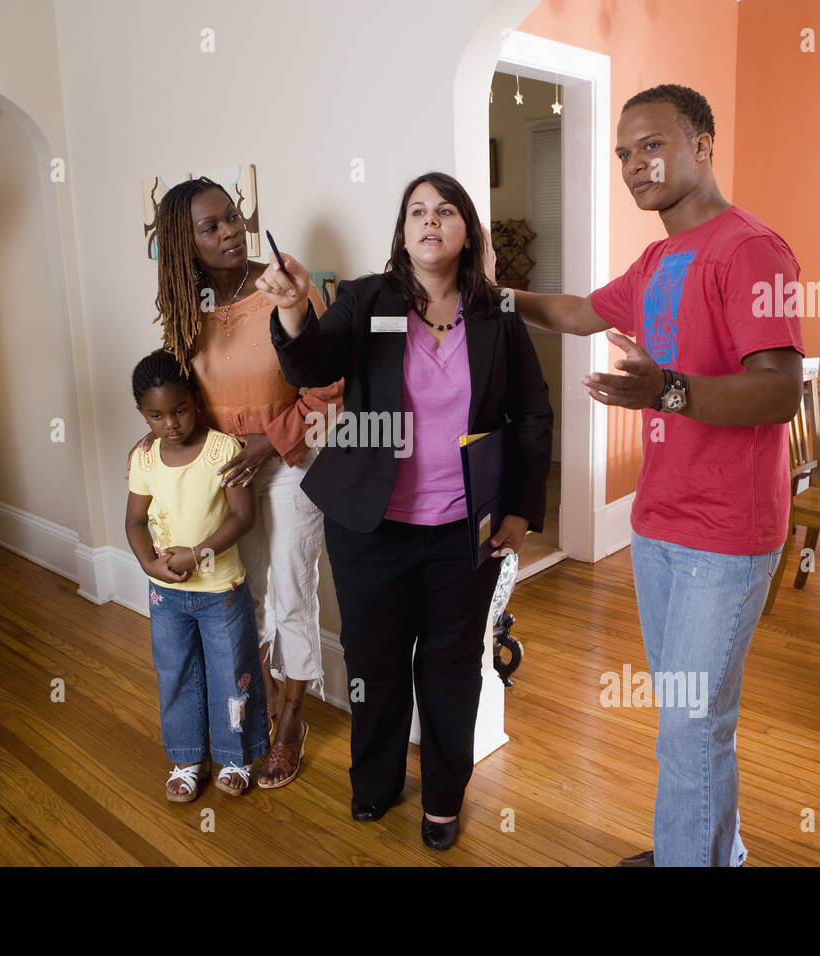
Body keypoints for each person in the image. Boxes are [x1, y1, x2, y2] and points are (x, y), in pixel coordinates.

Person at [508, 84, 804, 866]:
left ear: (703, 144)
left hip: (727, 538)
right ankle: (714, 853)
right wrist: (496, 298)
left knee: (690, 725)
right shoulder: (658, 258)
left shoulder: (750, 250)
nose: (635, 165)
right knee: (690, 717)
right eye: (624, 153)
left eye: (652, 145)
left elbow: (779, 391)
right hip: (660, 524)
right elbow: (579, 312)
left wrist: (667, 388)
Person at [259, 171, 553, 850]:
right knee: (374, 663)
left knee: (451, 667)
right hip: (371, 528)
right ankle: (377, 782)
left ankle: (444, 800)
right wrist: (296, 307)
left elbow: (532, 413)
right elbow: (311, 363)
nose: (429, 221)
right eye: (416, 211)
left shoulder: (496, 312)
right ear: (402, 231)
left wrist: (521, 508)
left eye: (444, 211)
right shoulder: (366, 300)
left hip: (464, 531)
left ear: (465, 230)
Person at [133, 177, 342, 789]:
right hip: (224, 477)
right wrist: (160, 443)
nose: (231, 232)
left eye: (234, 218)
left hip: (289, 464)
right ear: (183, 244)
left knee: (293, 595)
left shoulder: (283, 282)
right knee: (236, 603)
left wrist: (269, 441)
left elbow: (329, 389)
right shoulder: (183, 303)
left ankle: (292, 725)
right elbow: (179, 397)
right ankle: (249, 717)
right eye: (211, 227)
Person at [124, 348, 269, 800]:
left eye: (180, 410)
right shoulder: (144, 459)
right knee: (176, 673)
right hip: (165, 596)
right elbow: (133, 522)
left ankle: (235, 756)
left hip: (221, 592)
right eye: (157, 416)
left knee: (232, 673)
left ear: (195, 403)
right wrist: (150, 564)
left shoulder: (223, 449)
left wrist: (198, 554)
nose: (171, 424)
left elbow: (242, 518)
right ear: (143, 415)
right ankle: (187, 759)